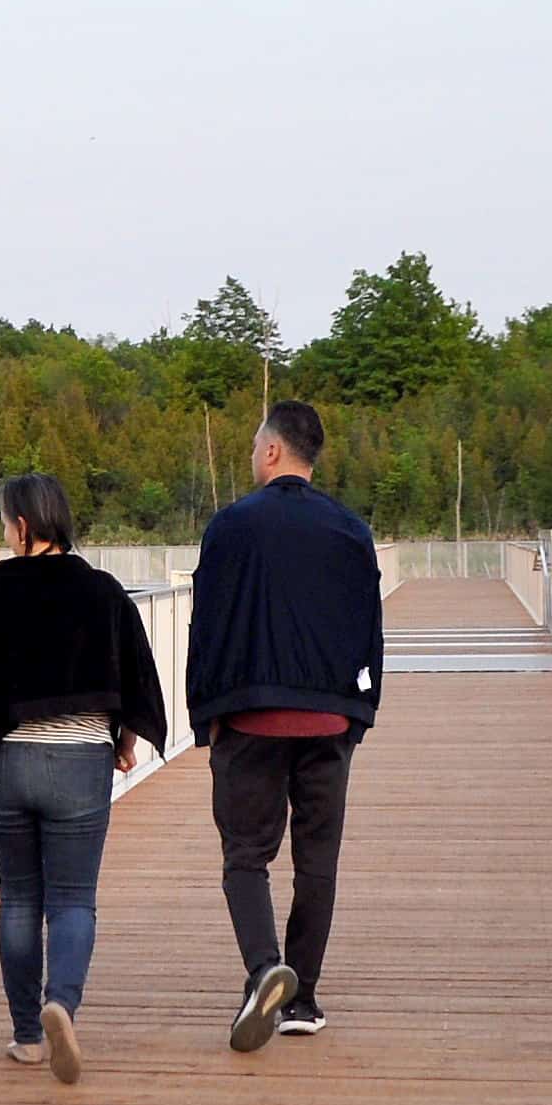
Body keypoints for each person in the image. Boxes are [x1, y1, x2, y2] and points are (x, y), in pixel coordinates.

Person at [0, 472, 168, 1085]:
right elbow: (134, 676)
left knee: (18, 897)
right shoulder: (102, 592)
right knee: (72, 898)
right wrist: (127, 740)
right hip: (81, 762)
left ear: (24, 526)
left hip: (5, 764)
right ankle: (61, 999)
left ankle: (29, 1037)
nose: (4, 532)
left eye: (5, 521)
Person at [184, 400, 384, 1051]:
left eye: (251, 443)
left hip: (250, 712)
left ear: (271, 450)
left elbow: (206, 624)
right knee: (317, 859)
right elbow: (369, 627)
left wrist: (204, 714)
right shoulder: (350, 529)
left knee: (246, 853)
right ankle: (301, 999)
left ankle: (264, 965)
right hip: (330, 713)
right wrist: (361, 711)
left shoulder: (232, 525)